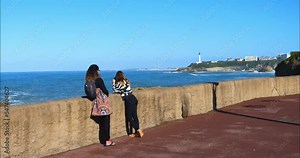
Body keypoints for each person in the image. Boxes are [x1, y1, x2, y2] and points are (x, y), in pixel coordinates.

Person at [85, 64, 115, 147]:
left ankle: (103, 140)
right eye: (98, 70)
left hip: (96, 103)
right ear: (96, 71)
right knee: (106, 122)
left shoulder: (89, 80)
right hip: (103, 103)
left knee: (102, 123)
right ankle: (107, 140)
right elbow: (105, 91)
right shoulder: (99, 80)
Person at [112, 71, 144, 138]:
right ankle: (136, 132)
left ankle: (138, 129)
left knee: (129, 117)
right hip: (133, 98)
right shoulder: (126, 81)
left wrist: (113, 83)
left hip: (128, 100)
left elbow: (115, 90)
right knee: (134, 116)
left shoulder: (118, 83)